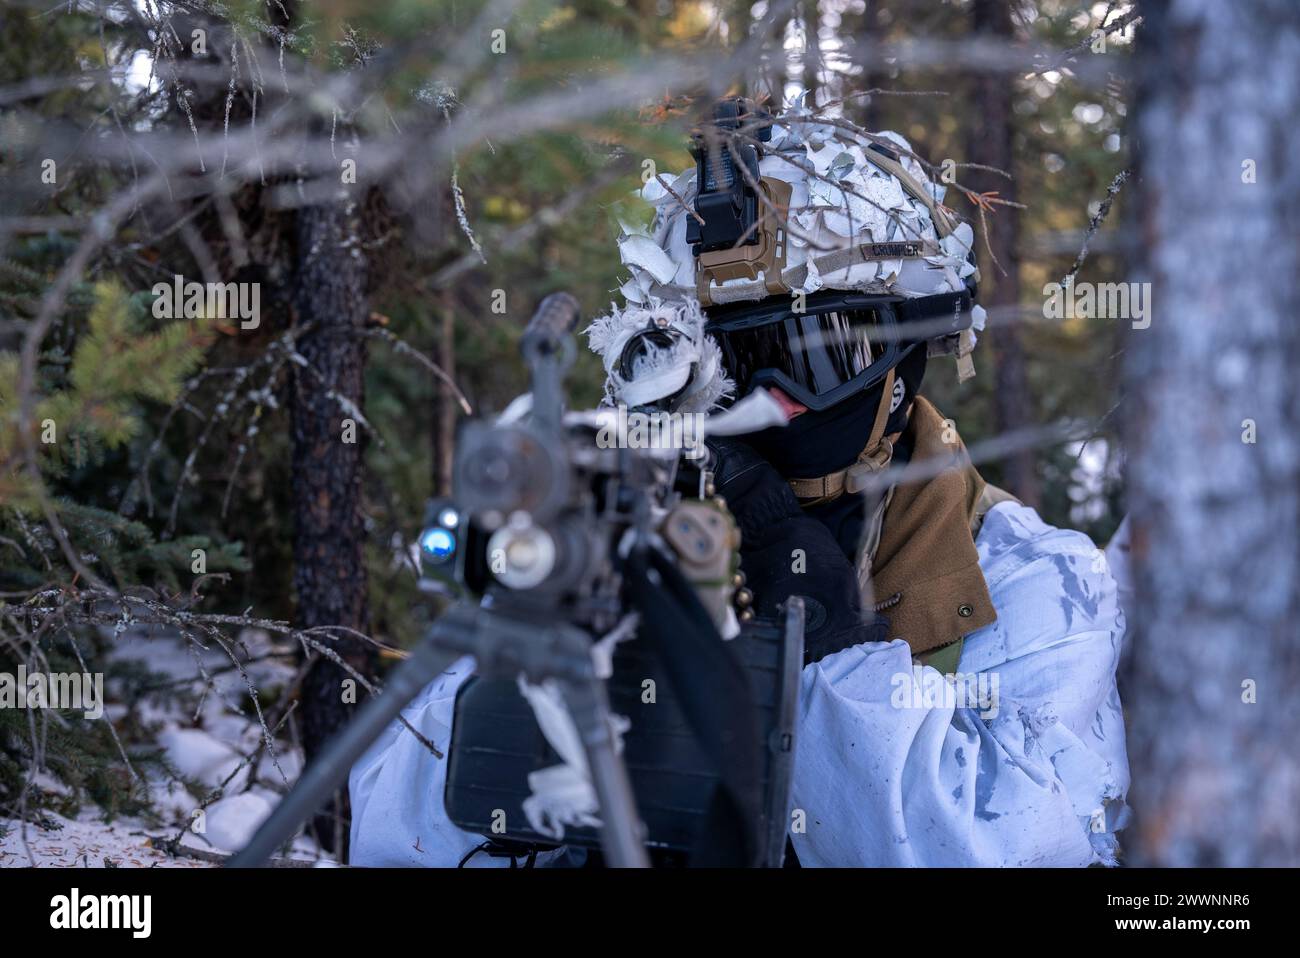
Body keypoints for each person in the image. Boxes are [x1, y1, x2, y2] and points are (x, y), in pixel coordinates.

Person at [348, 100, 1130, 867]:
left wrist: (824, 650)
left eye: (818, 355)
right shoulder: (609, 533)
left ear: (909, 355)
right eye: (727, 364)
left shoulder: (1033, 579)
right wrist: (542, 665)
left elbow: (1013, 845)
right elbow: (392, 827)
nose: (769, 401)